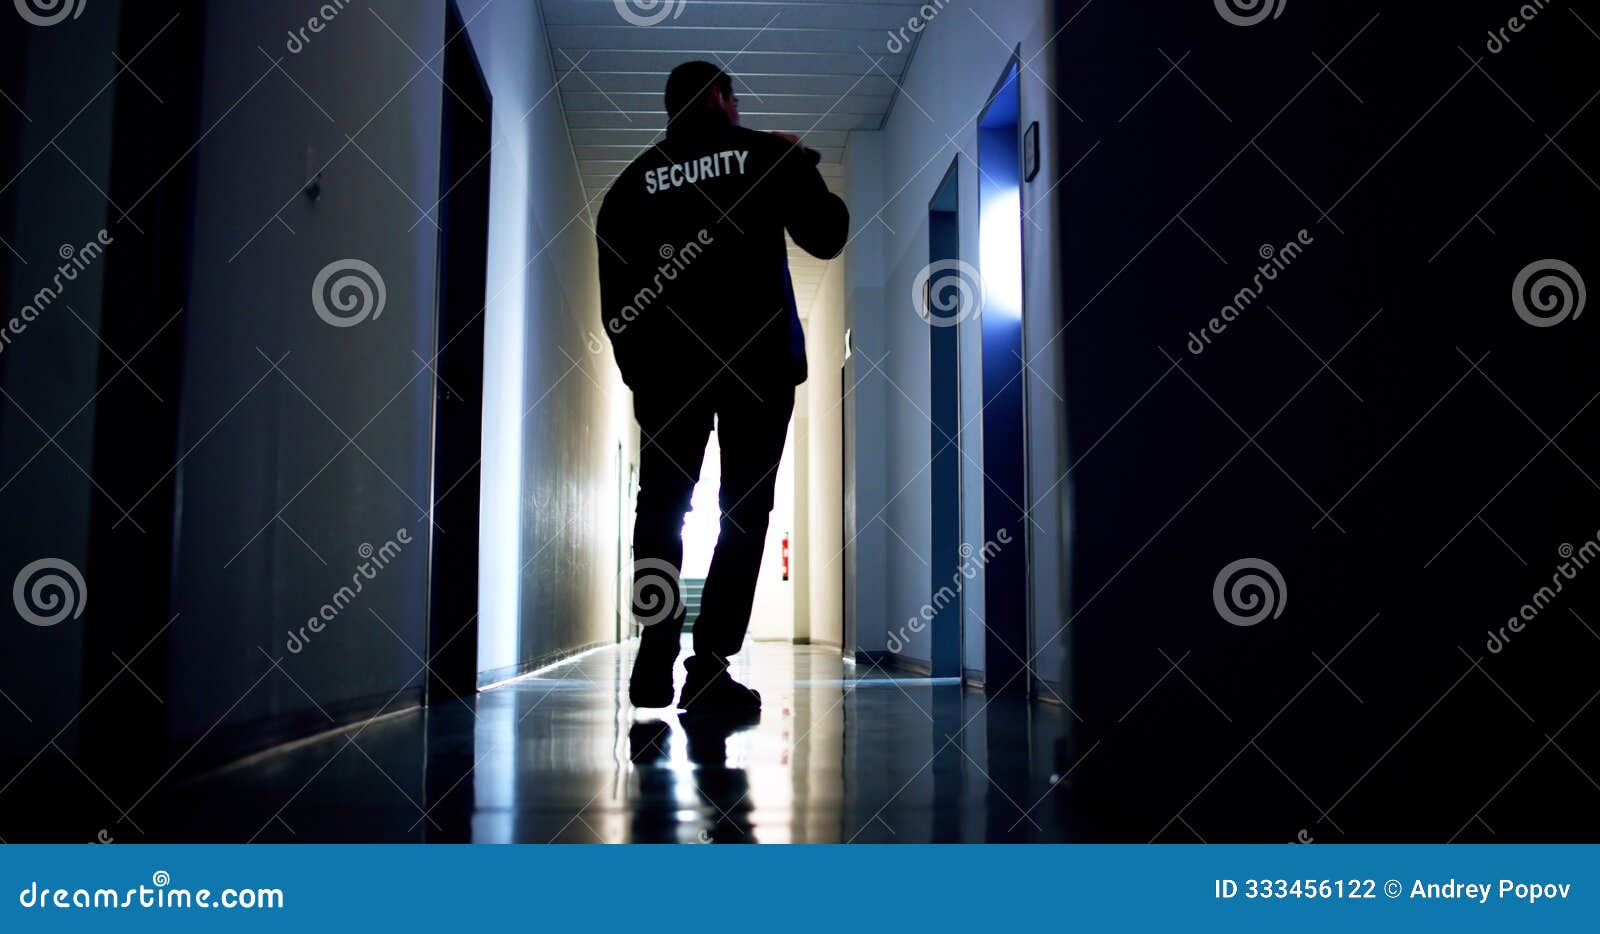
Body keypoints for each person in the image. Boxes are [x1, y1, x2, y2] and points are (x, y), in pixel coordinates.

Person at [597, 61, 849, 715]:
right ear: (719, 98)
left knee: (660, 509)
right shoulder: (766, 155)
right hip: (757, 369)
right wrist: (801, 168)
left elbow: (617, 304)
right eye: (733, 99)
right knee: (745, 511)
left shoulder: (629, 189)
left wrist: (641, 374)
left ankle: (655, 655)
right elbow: (826, 236)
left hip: (669, 375)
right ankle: (707, 667)